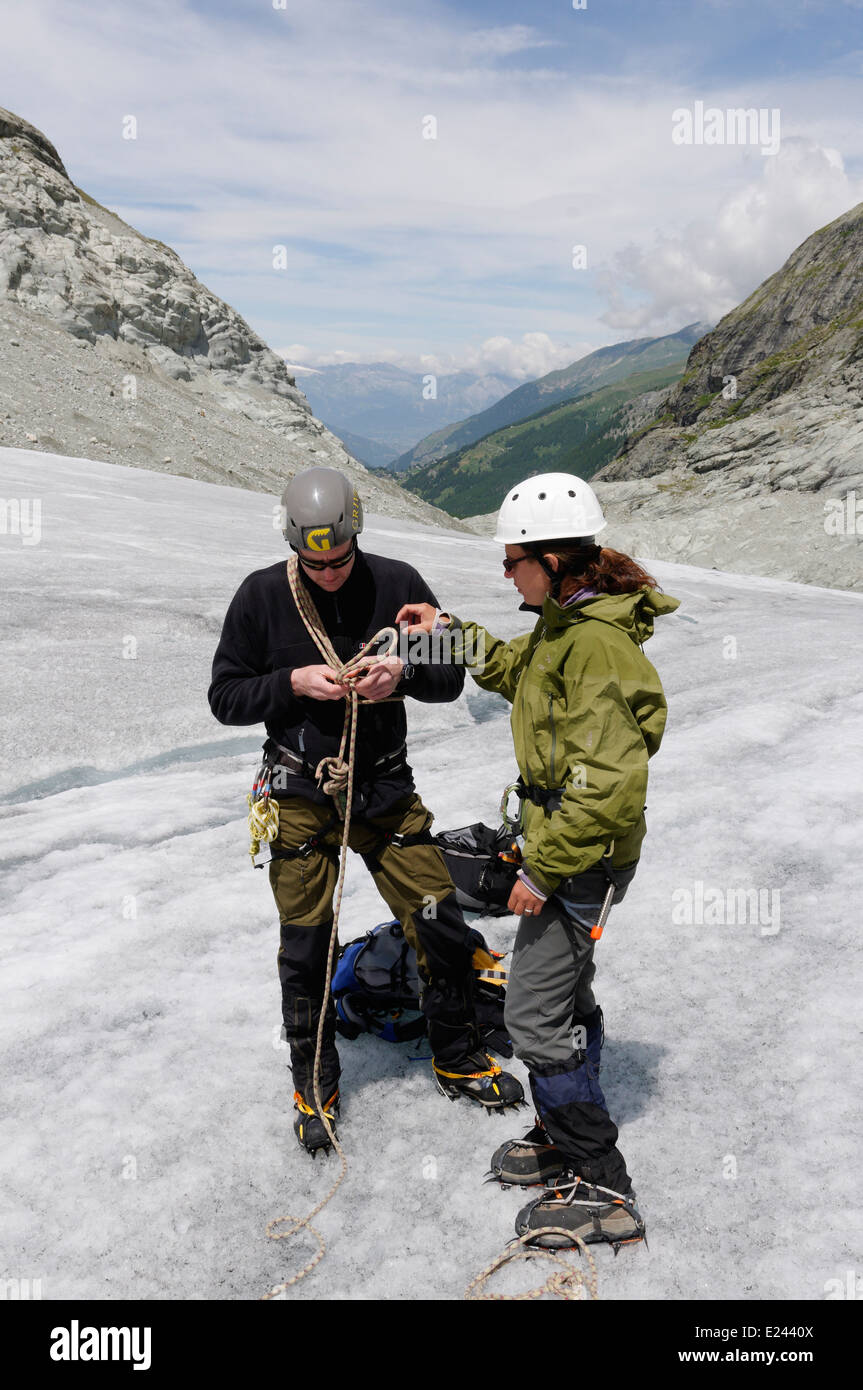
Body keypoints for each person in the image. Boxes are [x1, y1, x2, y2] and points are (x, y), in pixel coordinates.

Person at [396, 472, 679, 1250]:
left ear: (553, 559)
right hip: (573, 848)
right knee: (561, 995)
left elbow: (607, 785)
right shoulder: (567, 626)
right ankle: (562, 1130)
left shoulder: (591, 643)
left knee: (529, 1013)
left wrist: (540, 872)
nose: (506, 569)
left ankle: (602, 1186)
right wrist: (442, 629)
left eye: (513, 557)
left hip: (577, 856)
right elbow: (507, 669)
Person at [208, 466, 523, 1155]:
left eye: (339, 559)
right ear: (294, 544)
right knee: (306, 944)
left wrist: (400, 675)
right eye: (313, 561)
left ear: (356, 537)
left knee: (438, 919)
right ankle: (313, 1083)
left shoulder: (398, 583)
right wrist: (291, 682)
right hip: (299, 790)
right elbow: (225, 696)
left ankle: (457, 1054)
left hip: (382, 787)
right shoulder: (263, 596)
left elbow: (445, 680)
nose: (326, 572)